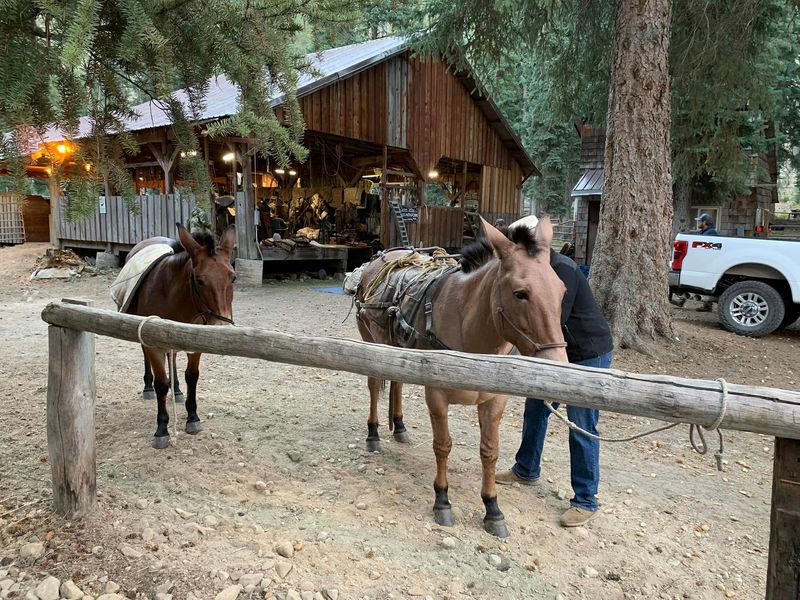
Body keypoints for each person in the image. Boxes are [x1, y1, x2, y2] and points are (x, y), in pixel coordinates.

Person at [496, 242, 613, 528]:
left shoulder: (562, 270)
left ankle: (586, 500)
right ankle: (526, 469)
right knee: (535, 410)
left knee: (581, 425)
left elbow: (547, 322)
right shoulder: (536, 270)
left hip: (587, 353)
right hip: (557, 354)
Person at [694, 214, 717, 311]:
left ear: (705, 222)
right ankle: (707, 305)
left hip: (708, 263)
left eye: (700, 221)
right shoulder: (704, 232)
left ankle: (707, 305)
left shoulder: (711, 233)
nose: (698, 223)